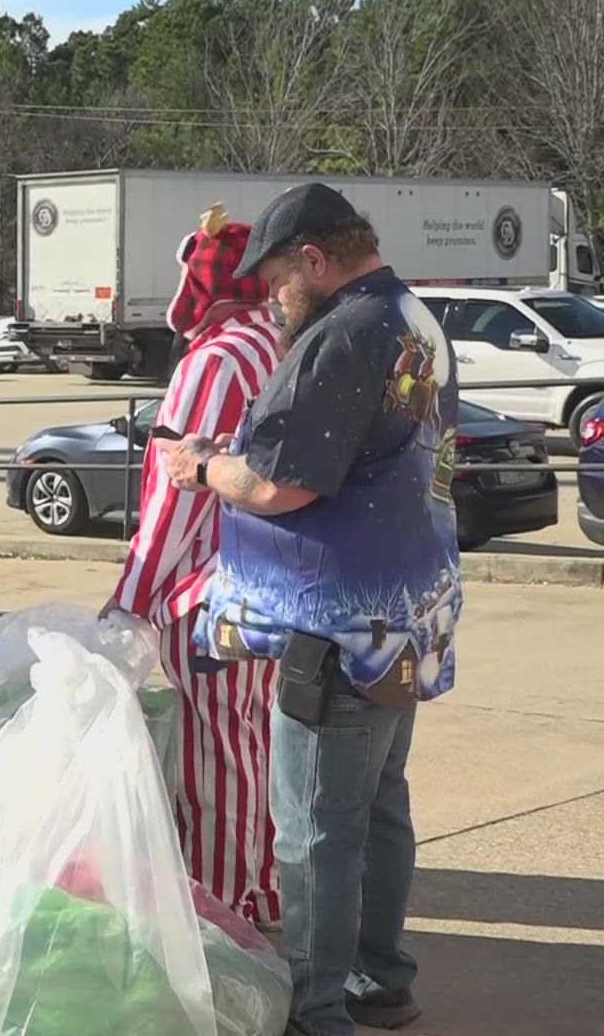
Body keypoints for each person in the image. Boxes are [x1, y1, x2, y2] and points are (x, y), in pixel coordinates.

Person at [156, 182, 460, 1036]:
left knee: (312, 830)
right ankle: (380, 978)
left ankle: (318, 1009)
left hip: (336, 630)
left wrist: (201, 467)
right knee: (379, 808)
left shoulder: (344, 334)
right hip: (404, 622)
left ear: (315, 260)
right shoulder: (416, 320)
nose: (271, 296)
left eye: (277, 278)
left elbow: (277, 486)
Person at [106, 203, 286, 929]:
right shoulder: (277, 345)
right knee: (253, 738)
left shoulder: (215, 361)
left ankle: (219, 904)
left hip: (209, 593)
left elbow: (177, 499)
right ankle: (263, 886)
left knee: (215, 756)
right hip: (267, 581)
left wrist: (131, 595)